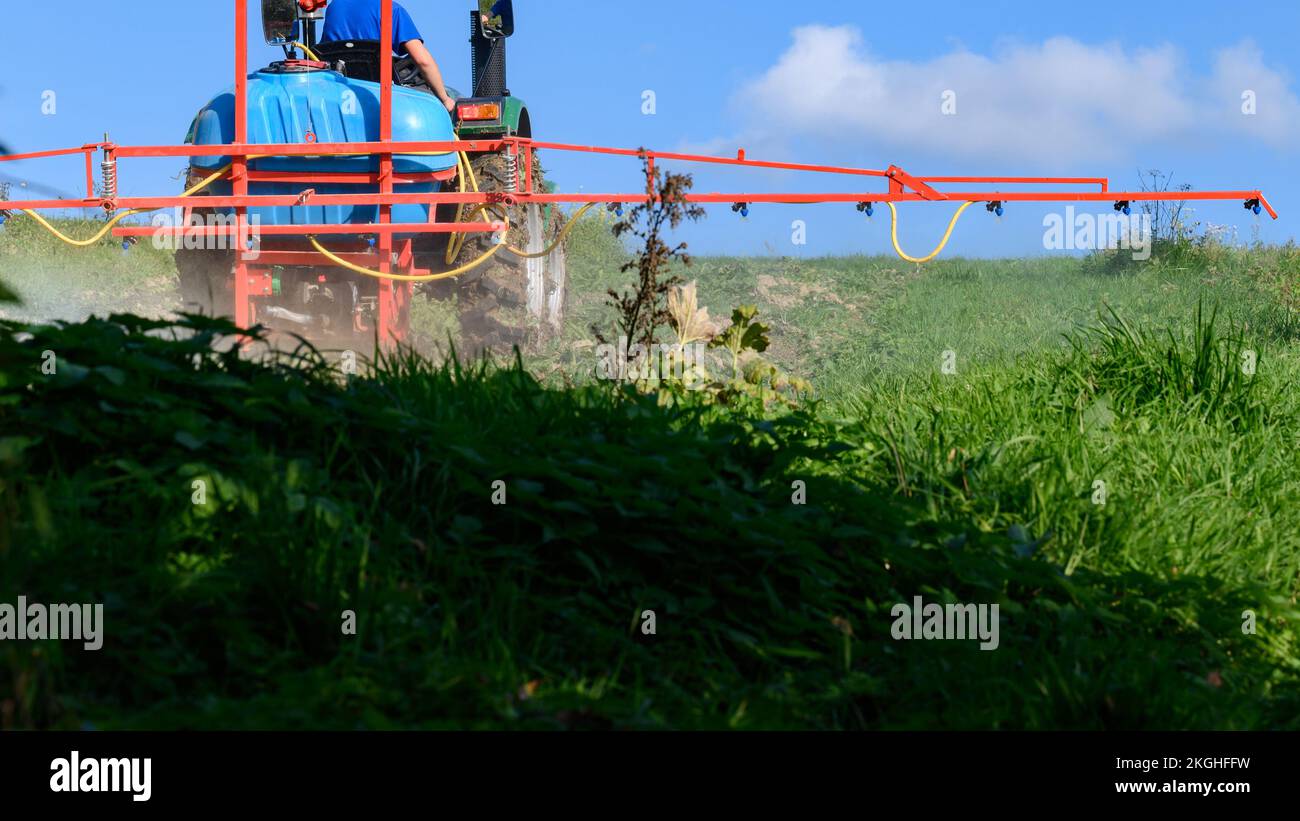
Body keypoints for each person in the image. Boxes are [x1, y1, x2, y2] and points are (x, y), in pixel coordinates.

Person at [320, 0, 457, 113]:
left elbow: (325, 53)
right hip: (377, 101)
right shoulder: (391, 9)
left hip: (336, 98)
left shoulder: (334, 8)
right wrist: (445, 99)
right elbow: (423, 61)